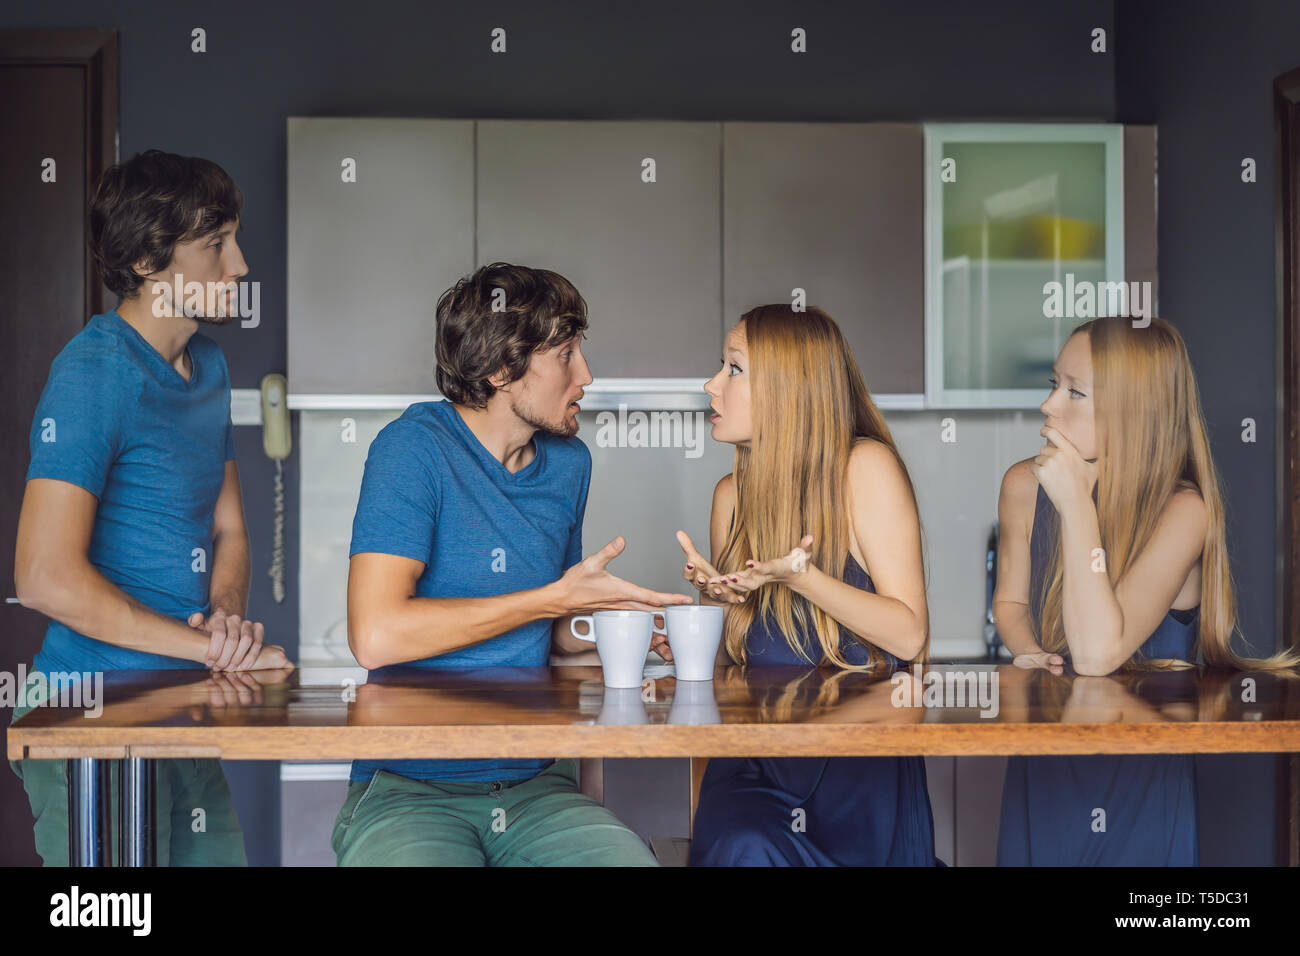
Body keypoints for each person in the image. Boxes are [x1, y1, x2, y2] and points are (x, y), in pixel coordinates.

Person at [334, 262, 692, 866]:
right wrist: (553, 599)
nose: (586, 375)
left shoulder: (567, 464)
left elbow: (545, 629)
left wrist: (604, 621)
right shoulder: (413, 449)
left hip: (537, 789)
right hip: (408, 787)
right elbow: (375, 637)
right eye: (567, 355)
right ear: (502, 369)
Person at [10, 149, 290, 866]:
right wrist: (215, 651)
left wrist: (225, 621)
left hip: (184, 698)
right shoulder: (94, 372)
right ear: (145, 262)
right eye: (216, 244)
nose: (240, 267)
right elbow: (43, 576)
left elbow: (227, 525)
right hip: (92, 707)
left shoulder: (211, 369)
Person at [993, 315, 1299, 866]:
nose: (1048, 406)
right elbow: (1011, 603)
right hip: (1046, 758)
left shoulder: (1183, 512)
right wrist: (1026, 648)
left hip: (1140, 776)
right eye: (1053, 385)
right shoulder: (1022, 486)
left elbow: (1096, 654)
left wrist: (1076, 505)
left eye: (1075, 392)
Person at [673, 304, 936, 866]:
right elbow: (732, 669)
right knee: (745, 845)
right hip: (752, 768)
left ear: (789, 389)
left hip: (860, 770)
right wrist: (708, 609)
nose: (711, 384)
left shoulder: (865, 469)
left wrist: (804, 579)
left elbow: (910, 637)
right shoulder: (730, 496)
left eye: (734, 369)